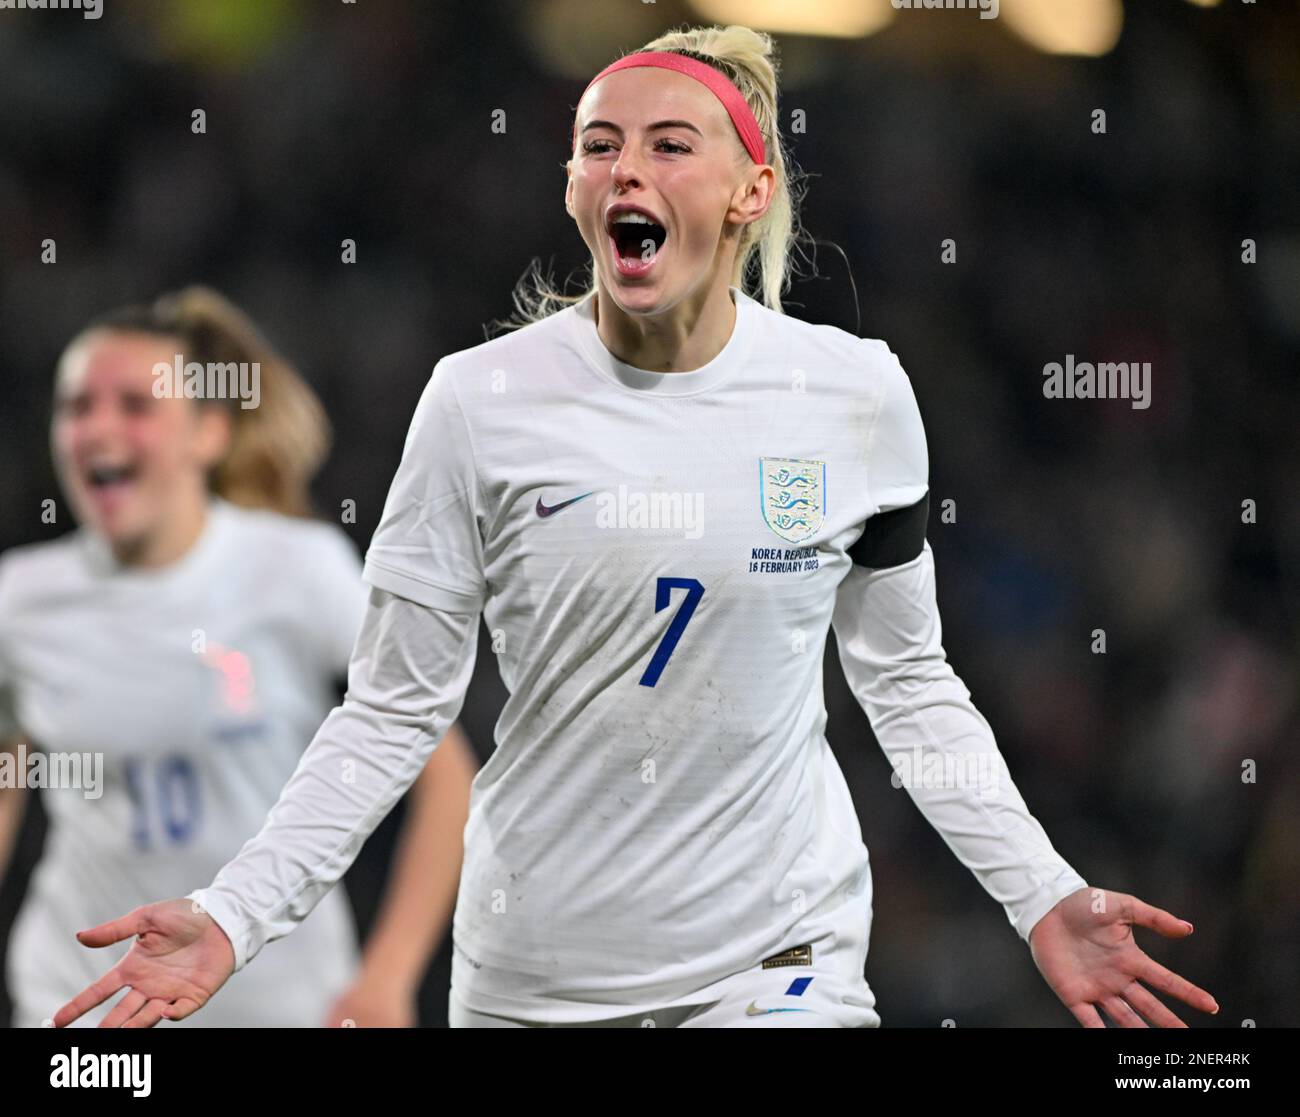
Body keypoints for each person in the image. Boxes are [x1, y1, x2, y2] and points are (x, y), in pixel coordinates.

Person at [53, 25, 1216, 1029]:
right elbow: (393, 712)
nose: (627, 169)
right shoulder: (477, 403)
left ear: (749, 190)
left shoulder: (856, 395)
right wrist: (232, 911)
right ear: (571, 187)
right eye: (600, 145)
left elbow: (906, 683)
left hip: (779, 963)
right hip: (536, 972)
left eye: (669, 144)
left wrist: (1040, 892)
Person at [0, 287, 477, 1027]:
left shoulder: (297, 570)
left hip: (286, 1006)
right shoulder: (20, 601)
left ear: (209, 433)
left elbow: (444, 775)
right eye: (76, 405)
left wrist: (388, 976)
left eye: (134, 404)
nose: (98, 428)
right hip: (81, 1006)